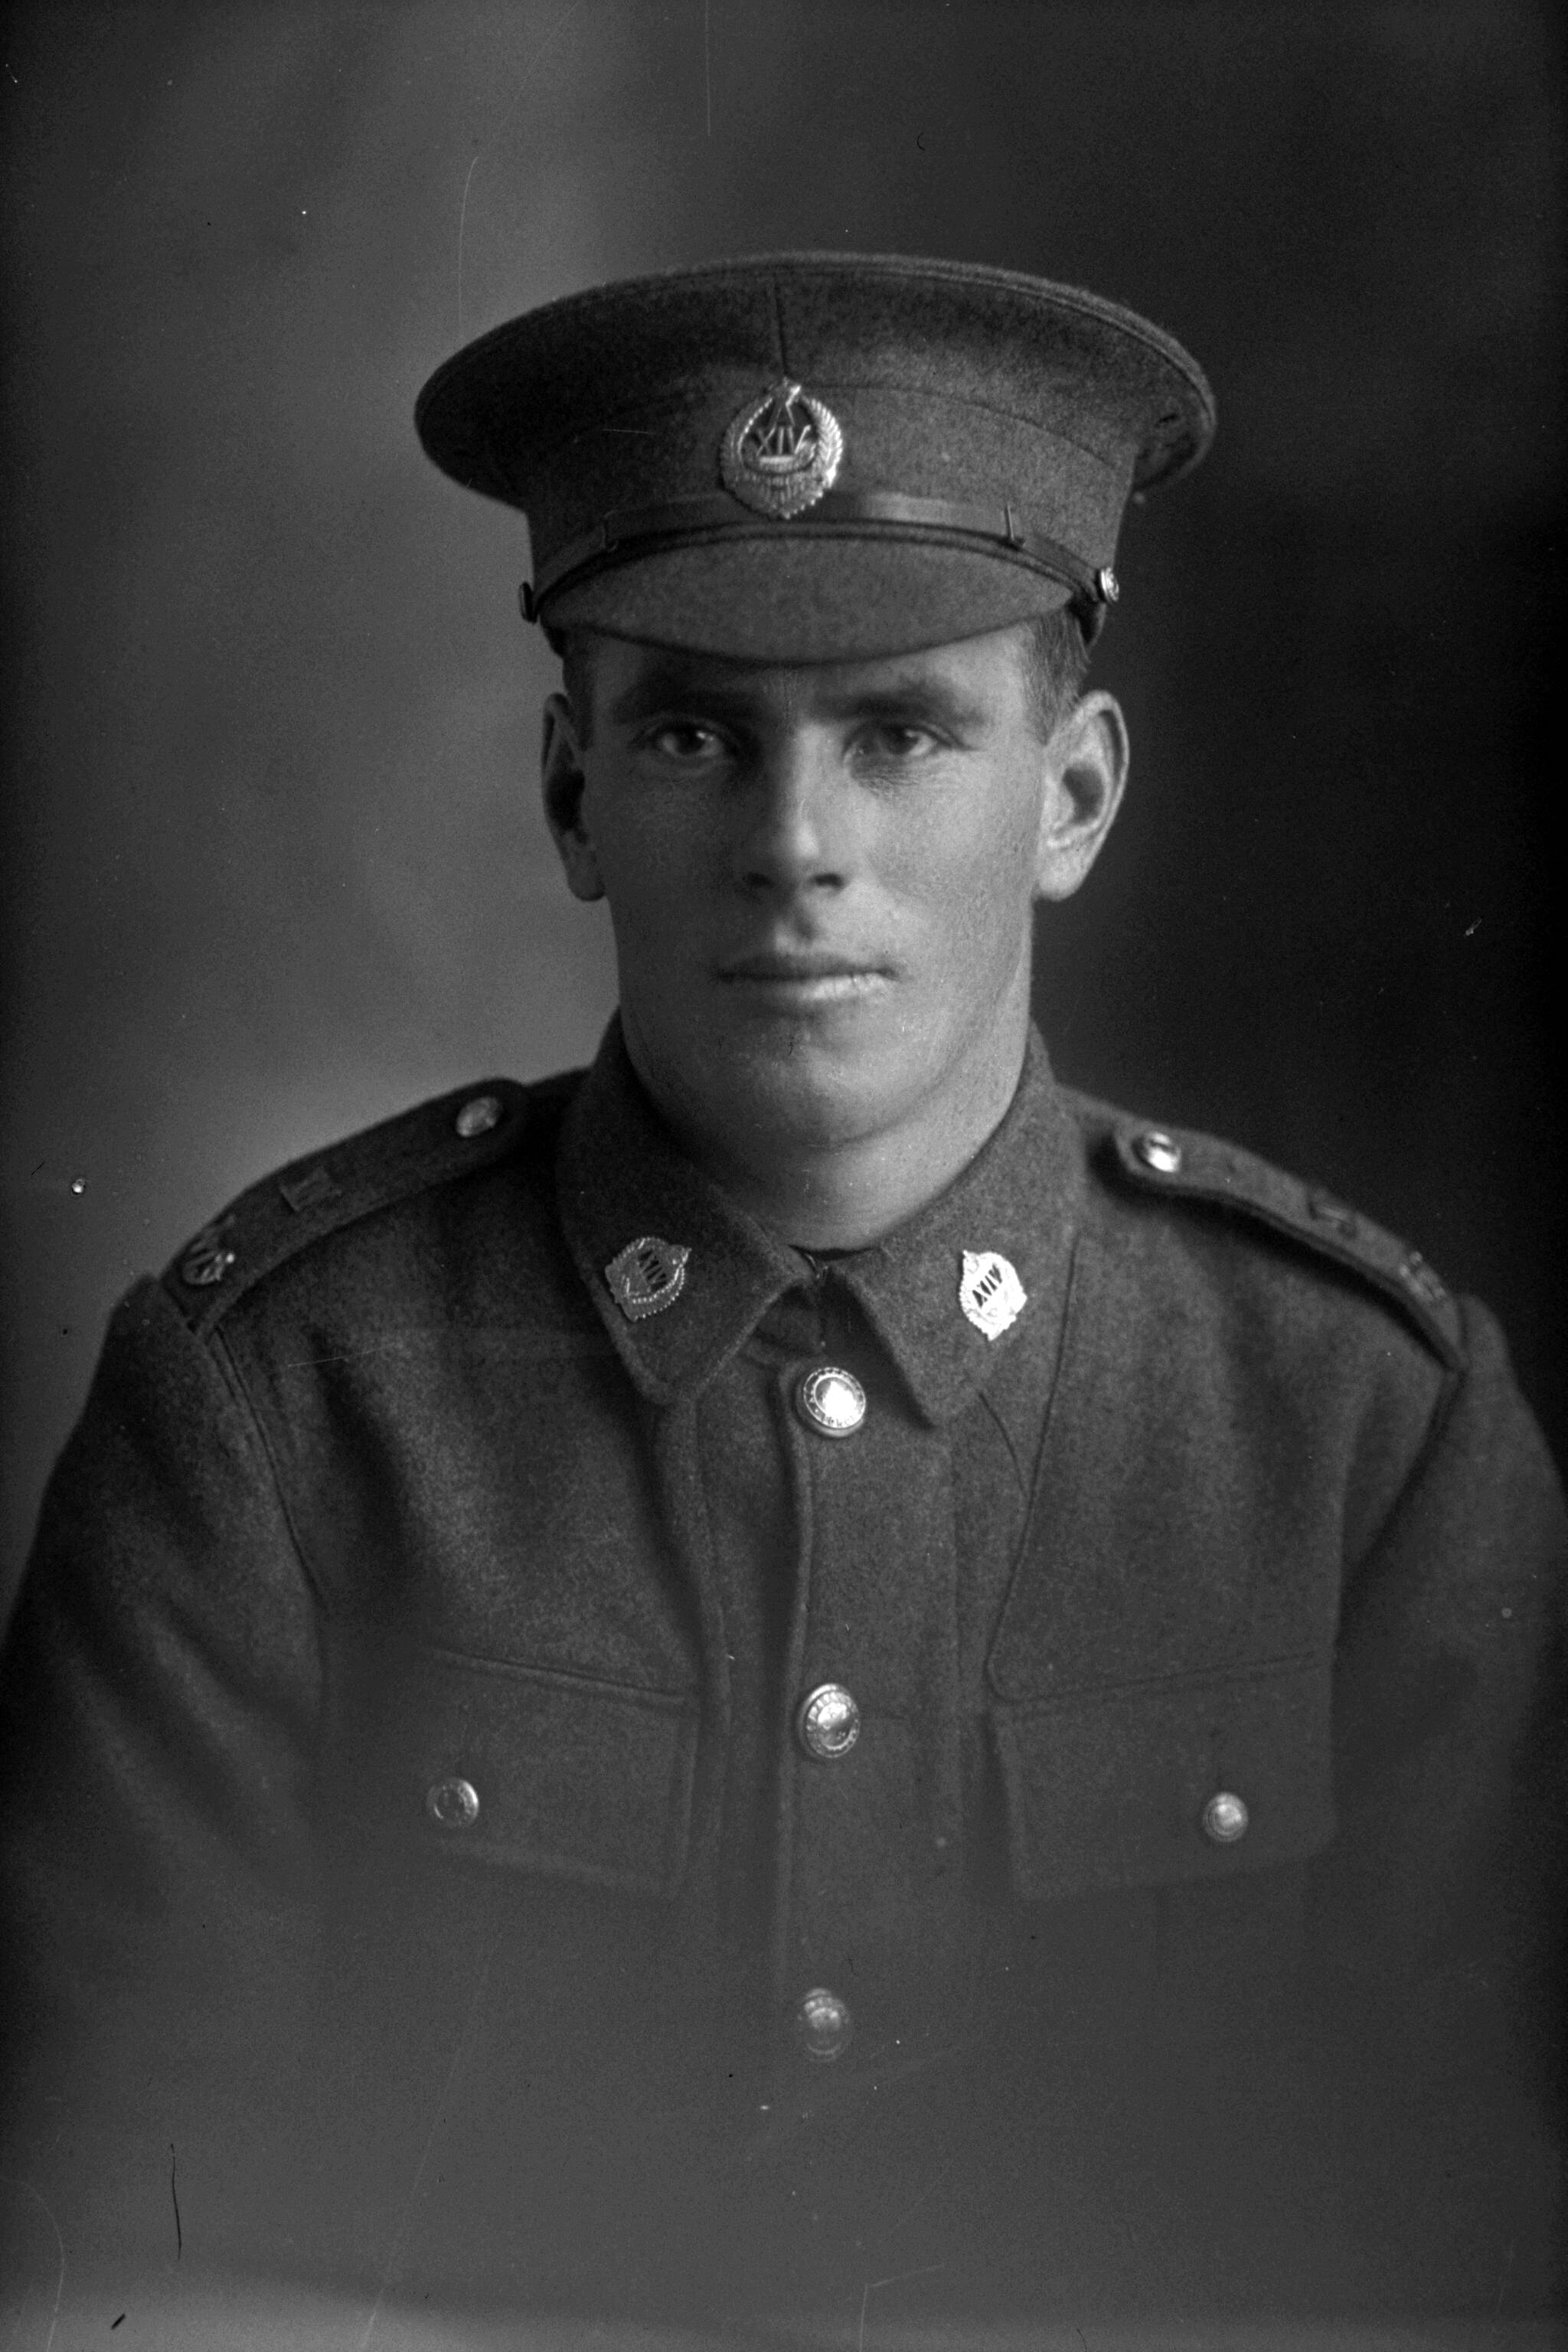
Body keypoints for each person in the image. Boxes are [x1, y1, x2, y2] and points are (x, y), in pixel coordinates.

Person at [1, 252, 1562, 2341]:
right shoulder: (275, 1409)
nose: (795, 841)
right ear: (575, 795)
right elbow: (108, 2257)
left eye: (905, 732)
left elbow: (1472, 2259)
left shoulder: (1365, 1428)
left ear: (1074, 796)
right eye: (694, 736)